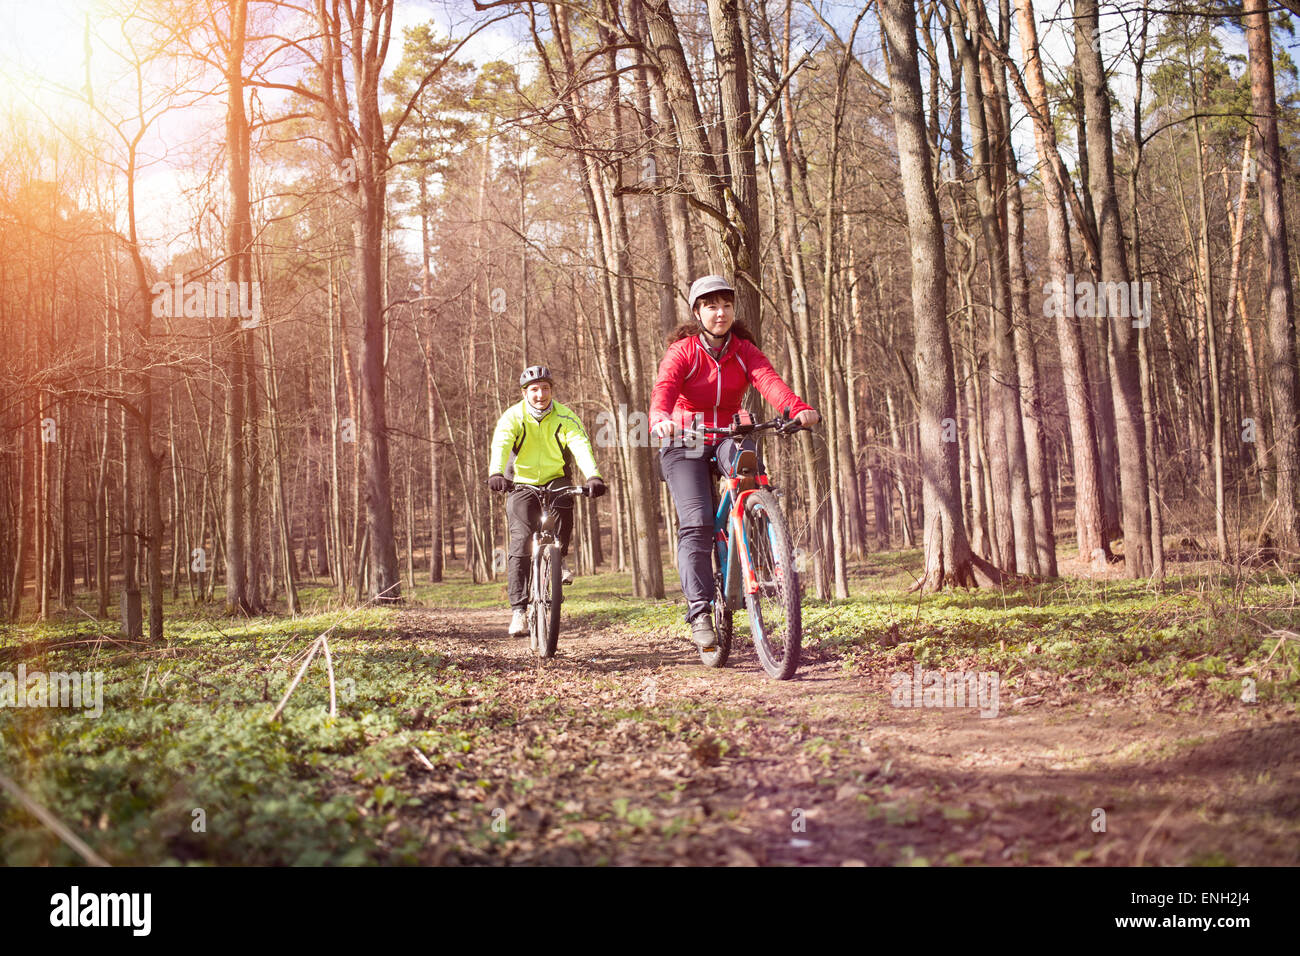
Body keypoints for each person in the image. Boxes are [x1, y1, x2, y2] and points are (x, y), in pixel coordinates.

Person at [650, 276, 820, 651]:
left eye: (726, 304)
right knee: (697, 522)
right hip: (685, 439)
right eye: (711, 306)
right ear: (698, 313)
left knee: (750, 472)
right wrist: (660, 416)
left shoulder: (744, 350)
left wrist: (798, 408)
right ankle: (699, 611)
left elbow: (770, 382)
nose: (720, 312)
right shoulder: (683, 351)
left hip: (727, 432)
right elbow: (664, 388)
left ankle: (758, 557)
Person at [489, 365, 607, 637]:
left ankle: (559, 555)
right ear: (524, 393)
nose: (541, 395)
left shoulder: (565, 416)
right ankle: (519, 610)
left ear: (552, 391)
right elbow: (502, 443)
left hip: (555, 477)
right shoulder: (513, 417)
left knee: (566, 500)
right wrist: (496, 472)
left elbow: (580, 444)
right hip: (521, 481)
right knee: (520, 541)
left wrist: (593, 476)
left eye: (545, 389)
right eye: (534, 390)